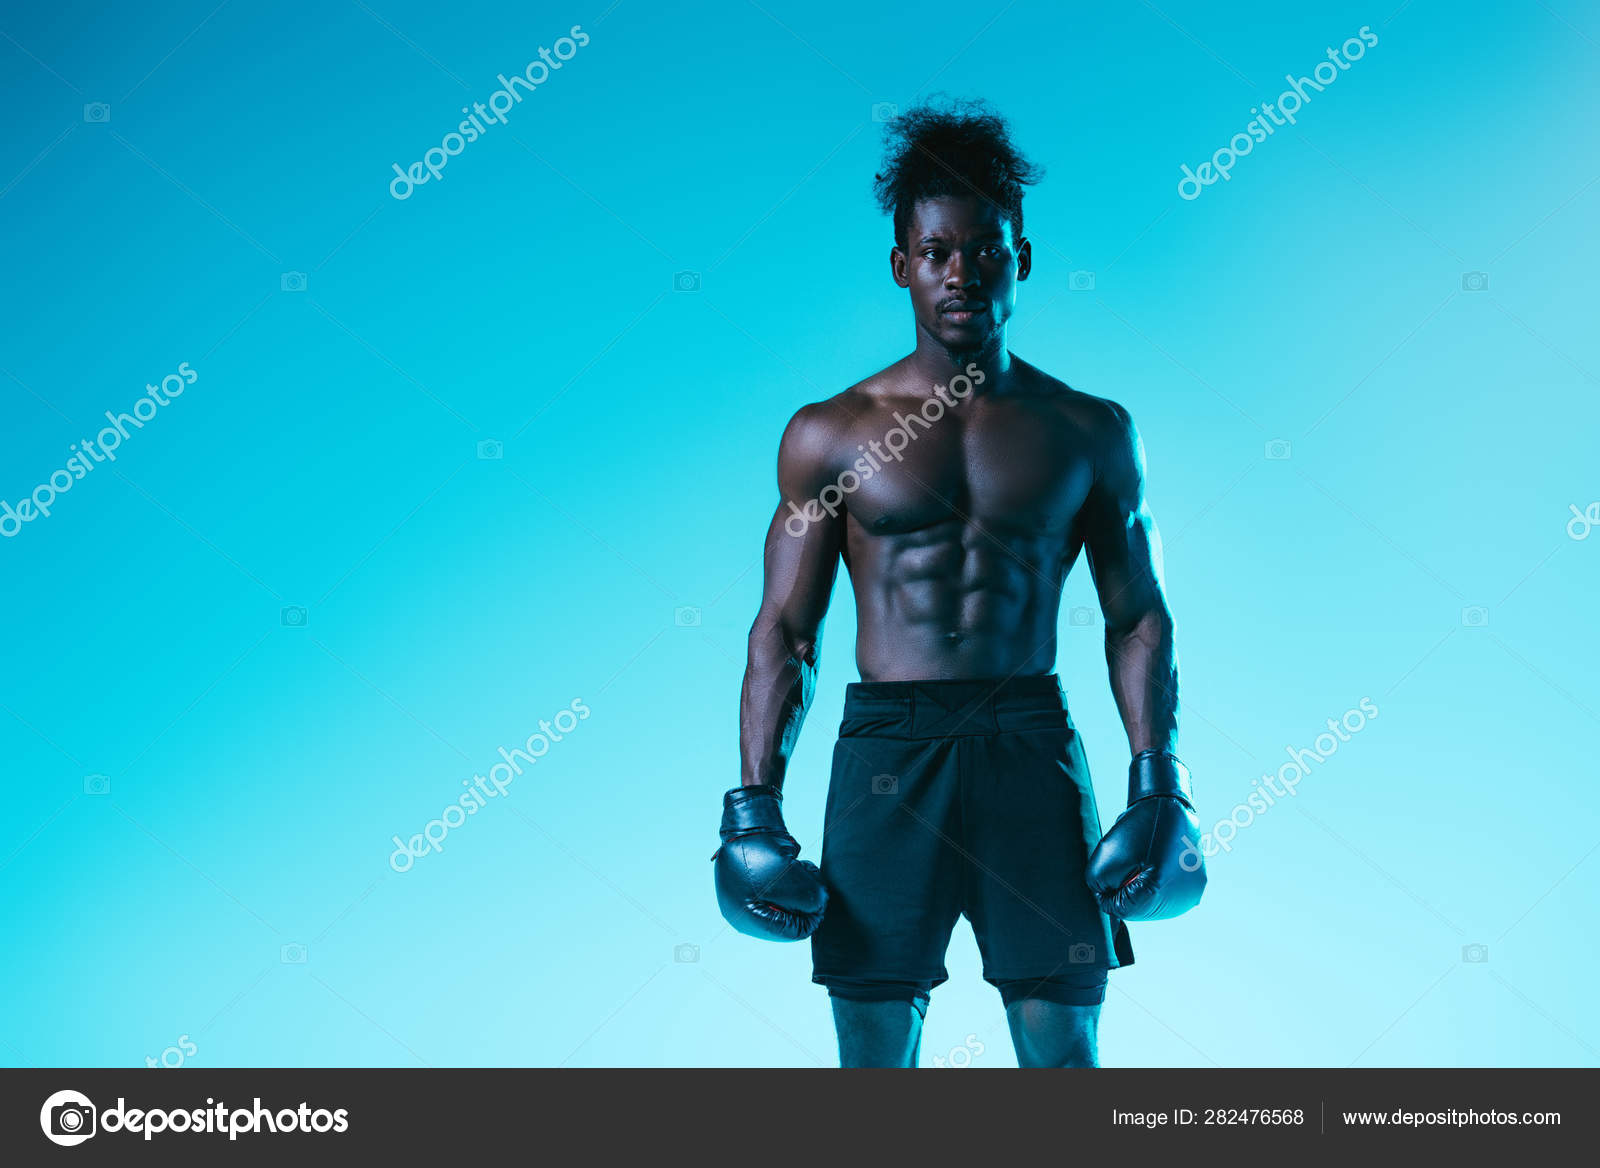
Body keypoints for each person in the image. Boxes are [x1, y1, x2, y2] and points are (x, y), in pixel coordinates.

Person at [712, 98, 1204, 1068]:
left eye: (985, 250)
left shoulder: (1089, 430)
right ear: (902, 264)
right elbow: (787, 632)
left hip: (1028, 737)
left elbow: (1136, 615)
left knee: (1062, 1049)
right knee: (874, 1056)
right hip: (887, 749)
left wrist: (1160, 782)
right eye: (937, 251)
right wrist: (752, 807)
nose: (961, 273)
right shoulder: (831, 433)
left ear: (1023, 259)